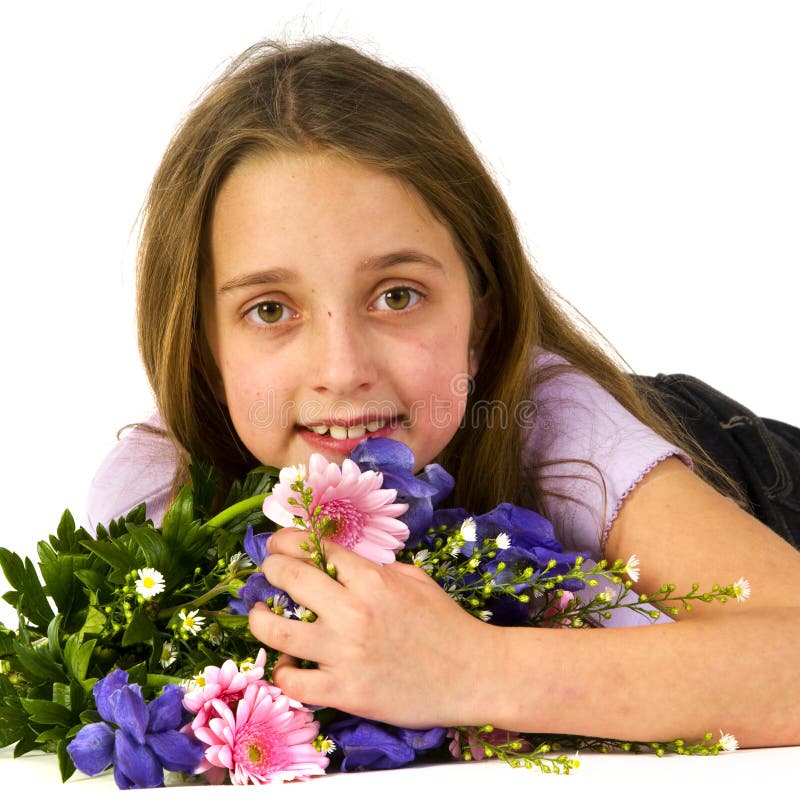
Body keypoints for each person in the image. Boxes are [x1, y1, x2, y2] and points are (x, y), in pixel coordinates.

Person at [86, 38, 800, 749]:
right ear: (205, 353)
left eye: (397, 296)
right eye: (270, 310)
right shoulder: (154, 502)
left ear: (480, 319)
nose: (342, 369)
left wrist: (473, 669)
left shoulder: (558, 430)